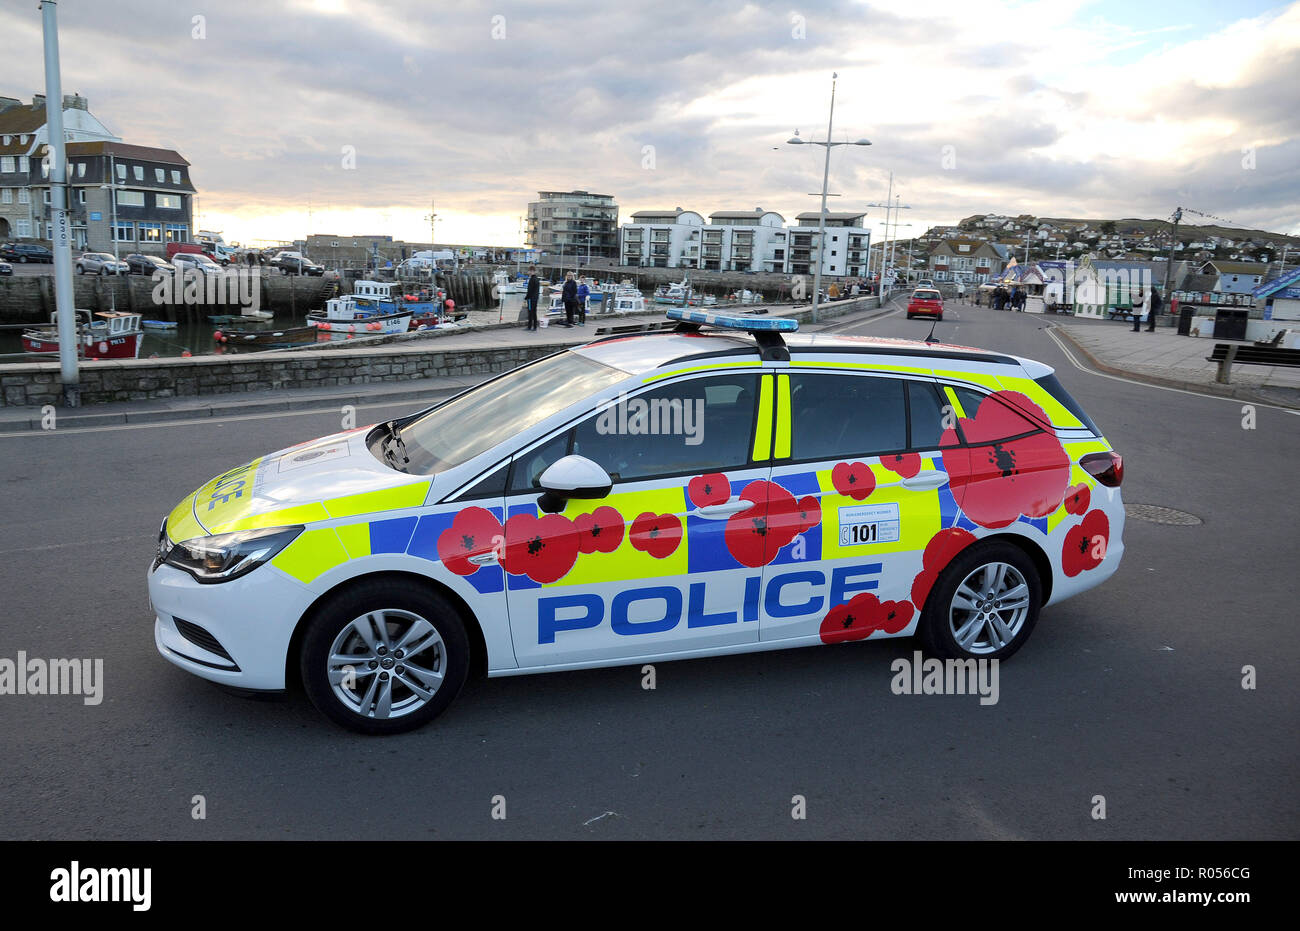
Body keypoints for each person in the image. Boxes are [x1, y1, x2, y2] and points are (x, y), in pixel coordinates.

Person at [523, 265, 541, 331]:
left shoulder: (532, 279)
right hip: (535, 298)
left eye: (531, 271)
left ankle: (529, 326)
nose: (530, 272)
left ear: (533, 271)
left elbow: (530, 290)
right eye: (530, 271)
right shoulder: (537, 279)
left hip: (531, 299)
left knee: (530, 312)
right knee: (534, 312)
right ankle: (535, 327)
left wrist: (526, 298)